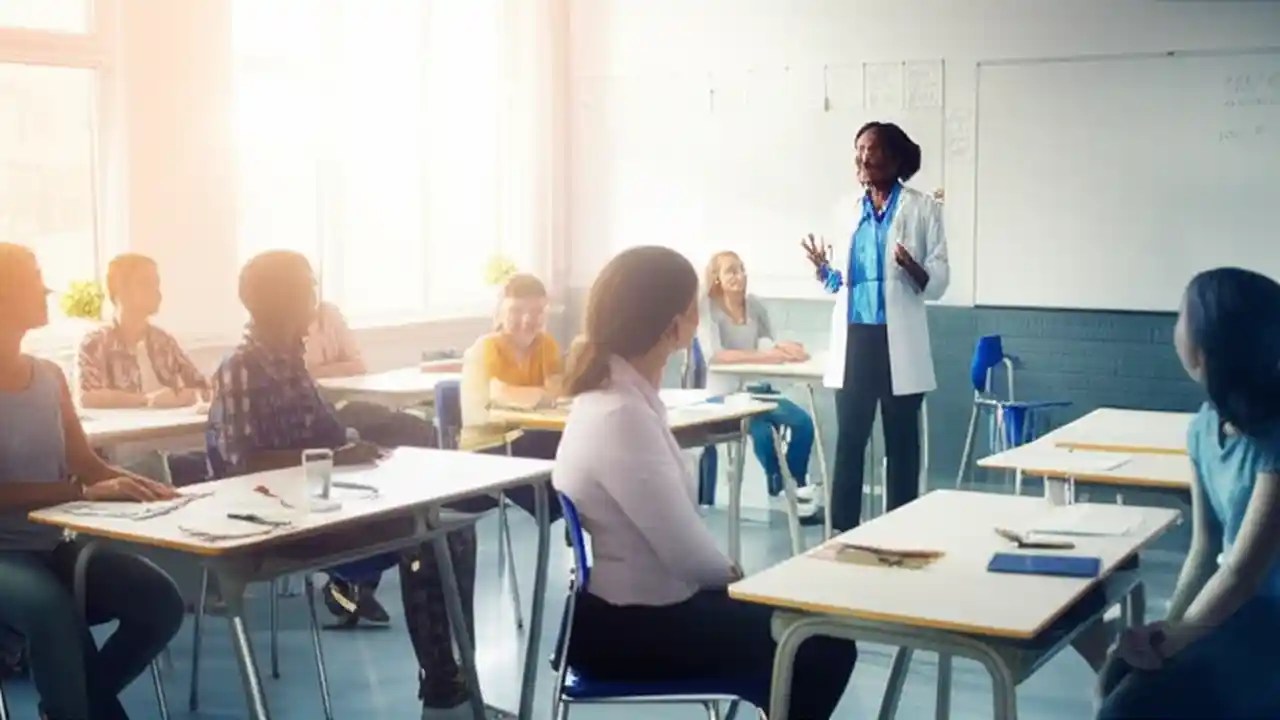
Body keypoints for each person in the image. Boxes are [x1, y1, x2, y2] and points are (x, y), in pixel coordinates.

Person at [553, 246, 857, 718]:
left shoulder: (614, 398)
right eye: (694, 309)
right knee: (824, 642)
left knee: (810, 631)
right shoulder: (621, 415)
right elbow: (690, 558)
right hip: (635, 629)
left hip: (629, 615)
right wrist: (743, 580)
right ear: (673, 326)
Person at [207, 251, 486, 717]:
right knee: (427, 536)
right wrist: (334, 456)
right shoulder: (241, 366)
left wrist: (364, 450)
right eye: (307, 288)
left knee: (453, 527)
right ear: (282, 300)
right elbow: (241, 462)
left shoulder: (291, 361)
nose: (315, 299)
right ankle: (444, 682)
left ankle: (457, 674)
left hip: (326, 504)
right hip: (277, 519)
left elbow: (330, 434)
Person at [0, 243, 184, 720]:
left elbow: (88, 465)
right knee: (50, 613)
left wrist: (152, 491)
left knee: (160, 601)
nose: (46, 289)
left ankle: (75, 707)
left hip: (53, 545)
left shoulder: (49, 377)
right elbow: (81, 485)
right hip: (4, 553)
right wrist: (79, 493)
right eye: (32, 278)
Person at [1096, 268, 1280, 719]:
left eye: (1182, 316)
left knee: (1132, 706)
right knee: (1118, 673)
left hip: (1269, 618)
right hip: (1235, 607)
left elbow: (1242, 572)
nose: (1173, 327)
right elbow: (1205, 547)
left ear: (1210, 347)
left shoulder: (1274, 440)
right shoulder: (1202, 427)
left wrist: (1181, 635)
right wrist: (1165, 629)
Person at [801, 121, 948, 531]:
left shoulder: (923, 209)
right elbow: (841, 285)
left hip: (898, 340)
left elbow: (939, 278)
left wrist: (912, 266)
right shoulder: (847, 210)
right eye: (859, 150)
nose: (864, 158)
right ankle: (841, 531)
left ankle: (899, 530)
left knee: (902, 445)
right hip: (856, 340)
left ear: (896, 158)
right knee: (850, 441)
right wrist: (823, 271)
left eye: (873, 150)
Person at [699, 250, 820, 523]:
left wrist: (783, 349)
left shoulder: (754, 306)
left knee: (802, 423)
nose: (739, 276)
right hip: (725, 397)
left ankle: (795, 486)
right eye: (731, 270)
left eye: (741, 269)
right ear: (716, 278)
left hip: (756, 390)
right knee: (764, 435)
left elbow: (765, 341)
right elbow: (715, 355)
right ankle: (785, 488)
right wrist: (767, 356)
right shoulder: (708, 309)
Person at [76, 253, 211, 486]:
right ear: (120, 290)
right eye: (147, 283)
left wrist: (187, 394)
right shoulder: (95, 342)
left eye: (157, 284)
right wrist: (147, 400)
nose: (157, 292)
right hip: (124, 457)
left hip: (170, 445)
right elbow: (88, 397)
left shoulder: (163, 340)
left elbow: (199, 386)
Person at [460, 273, 562, 459]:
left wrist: (527, 396)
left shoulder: (547, 345)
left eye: (537, 312)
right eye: (516, 311)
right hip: (488, 443)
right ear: (500, 313)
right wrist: (539, 395)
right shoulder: (485, 348)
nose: (527, 320)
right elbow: (498, 396)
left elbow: (557, 391)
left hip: (532, 434)